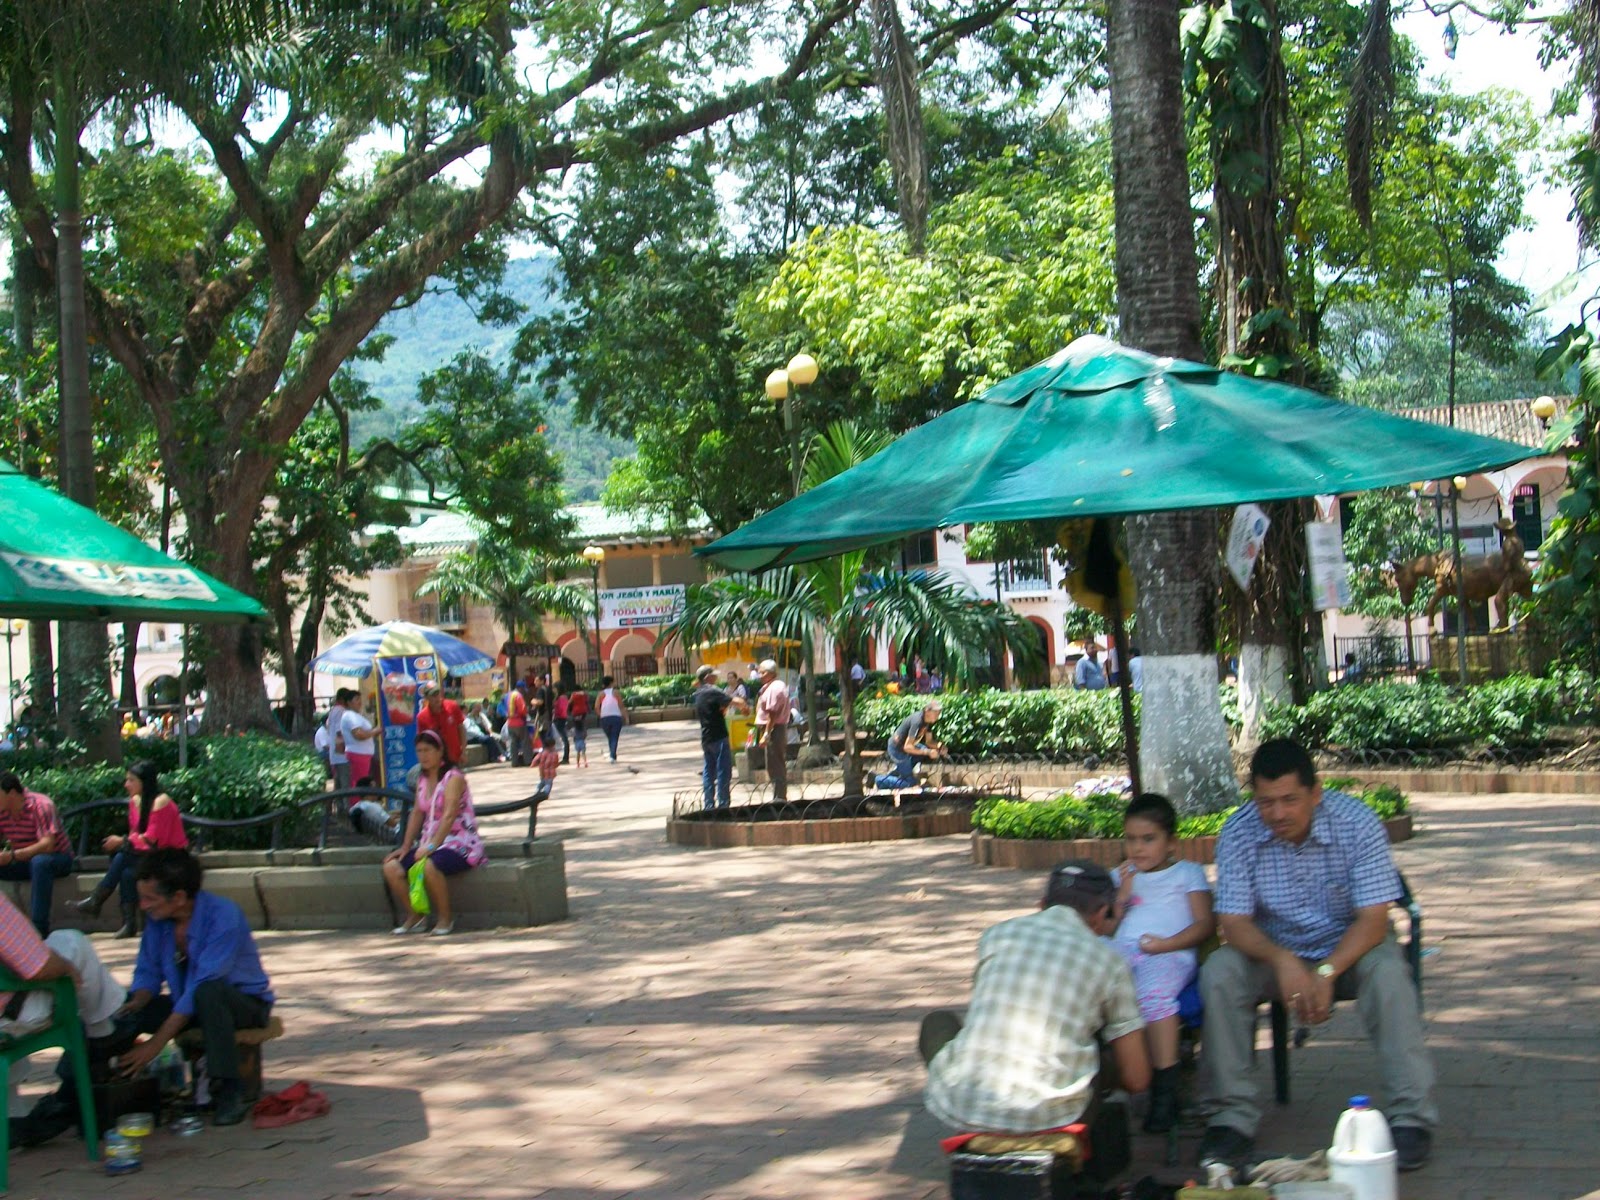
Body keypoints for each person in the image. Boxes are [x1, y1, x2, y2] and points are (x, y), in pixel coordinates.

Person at [1196, 738, 1436, 1172]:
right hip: (1271, 953)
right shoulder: (1238, 830)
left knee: (1389, 976)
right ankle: (1231, 1118)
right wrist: (1284, 961)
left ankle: (1411, 1118)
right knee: (1219, 972)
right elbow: (1234, 924)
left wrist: (1325, 971)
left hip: (1350, 947)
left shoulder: (1358, 822)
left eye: (1289, 800)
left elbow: (1373, 919)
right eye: (1266, 802)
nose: (1278, 814)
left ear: (1315, 792)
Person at [921, 861, 1150, 1133]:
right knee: (1096, 1052)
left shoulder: (996, 935)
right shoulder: (1110, 962)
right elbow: (1137, 1079)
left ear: (1042, 904)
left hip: (964, 1106)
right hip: (1056, 1117)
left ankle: (977, 1108)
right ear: (1102, 913)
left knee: (937, 1023)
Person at [116, 848, 275, 1127]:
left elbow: (201, 985)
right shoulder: (157, 921)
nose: (143, 906)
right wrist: (137, 1002)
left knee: (208, 992)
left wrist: (155, 1044)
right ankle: (90, 1088)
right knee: (117, 1007)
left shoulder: (223, 915)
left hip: (241, 1004)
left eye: (150, 899)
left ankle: (228, 1090)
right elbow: (147, 973)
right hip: (189, 1004)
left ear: (178, 897)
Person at [1109, 793, 1214, 1133]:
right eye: (1131, 839)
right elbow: (1107, 926)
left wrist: (1166, 944)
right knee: (1094, 985)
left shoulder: (1187, 873)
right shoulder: (1121, 875)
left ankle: (1164, 1091)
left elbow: (1203, 924)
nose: (1138, 849)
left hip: (1168, 952)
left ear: (1171, 842)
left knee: (1154, 996)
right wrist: (1122, 896)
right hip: (1124, 949)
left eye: (1148, 839)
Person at [0, 891, 133, 1147]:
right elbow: (38, 965)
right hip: (12, 1018)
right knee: (70, 942)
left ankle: (12, 1120)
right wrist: (65, 967)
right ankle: (103, 1031)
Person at [382, 729, 486, 937]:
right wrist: (405, 845)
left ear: (440, 751)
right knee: (391, 867)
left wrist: (431, 847)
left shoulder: (453, 777)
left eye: (428, 750)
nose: (423, 755)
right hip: (429, 842)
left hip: (459, 842)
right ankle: (416, 915)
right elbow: (417, 813)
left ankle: (445, 919)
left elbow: (449, 816)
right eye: (419, 751)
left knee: (429, 865)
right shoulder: (422, 778)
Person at [73, 761, 189, 939]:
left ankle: (97, 899)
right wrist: (125, 841)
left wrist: (121, 841)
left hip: (171, 856)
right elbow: (136, 835)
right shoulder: (135, 801)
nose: (126, 785)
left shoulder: (161, 802)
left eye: (131, 780)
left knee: (122, 858)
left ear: (145, 781)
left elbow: (153, 840)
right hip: (148, 855)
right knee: (127, 872)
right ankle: (129, 924)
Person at [0, 772, 73, 936]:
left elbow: (47, 845)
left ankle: (39, 928)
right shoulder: (2, 810)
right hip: (24, 861)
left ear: (11, 793)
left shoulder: (41, 805)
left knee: (40, 862)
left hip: (58, 858)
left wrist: (12, 856)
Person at [693, 665, 747, 810]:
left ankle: (709, 804)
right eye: (714, 675)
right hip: (719, 736)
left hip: (706, 738)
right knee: (723, 770)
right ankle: (723, 804)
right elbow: (738, 702)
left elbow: (717, 709)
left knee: (709, 772)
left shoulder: (698, 694)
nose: (716, 678)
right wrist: (745, 708)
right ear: (707, 678)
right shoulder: (713, 691)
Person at [871, 699, 945, 791]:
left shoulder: (928, 722)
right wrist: (928, 752)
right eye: (936, 712)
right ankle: (879, 780)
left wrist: (940, 747)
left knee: (922, 750)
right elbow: (907, 747)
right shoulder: (917, 722)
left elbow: (929, 742)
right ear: (927, 710)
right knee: (910, 784)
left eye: (939, 713)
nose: (938, 715)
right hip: (897, 749)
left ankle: (900, 774)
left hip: (907, 747)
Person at [753, 660, 790, 801]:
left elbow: (772, 714)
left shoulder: (775, 688)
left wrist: (767, 734)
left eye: (761, 672)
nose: (759, 675)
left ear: (769, 673)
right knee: (773, 763)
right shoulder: (771, 687)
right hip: (772, 728)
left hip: (774, 729)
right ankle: (778, 794)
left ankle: (780, 797)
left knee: (775, 763)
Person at [416, 682, 467, 765]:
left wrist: (464, 751)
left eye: (438, 694)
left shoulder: (452, 706)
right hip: (435, 762)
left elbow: (461, 729)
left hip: (454, 757)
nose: (437, 698)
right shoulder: (422, 717)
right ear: (427, 698)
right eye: (433, 695)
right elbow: (422, 742)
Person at [341, 692, 379, 785]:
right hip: (358, 754)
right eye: (357, 699)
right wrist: (375, 731)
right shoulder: (350, 715)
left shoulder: (356, 715)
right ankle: (356, 800)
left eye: (360, 699)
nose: (360, 702)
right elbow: (358, 734)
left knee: (363, 781)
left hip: (363, 754)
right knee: (360, 783)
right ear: (349, 702)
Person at [325, 688, 354, 789]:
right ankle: (346, 805)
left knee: (338, 784)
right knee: (345, 784)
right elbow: (340, 732)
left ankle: (340, 804)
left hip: (335, 755)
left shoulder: (333, 711)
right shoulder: (342, 711)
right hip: (342, 755)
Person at [597, 676, 629, 763]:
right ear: (611, 683)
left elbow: (596, 707)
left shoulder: (601, 694)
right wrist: (626, 717)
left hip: (605, 718)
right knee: (614, 737)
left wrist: (601, 715)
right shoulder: (616, 692)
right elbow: (621, 706)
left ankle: (612, 754)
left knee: (610, 737)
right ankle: (612, 756)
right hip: (615, 717)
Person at [504, 683, 531, 767]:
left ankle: (514, 762)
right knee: (525, 742)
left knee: (513, 743)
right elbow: (522, 709)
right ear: (520, 688)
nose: (523, 692)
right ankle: (527, 761)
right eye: (523, 689)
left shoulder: (507, 696)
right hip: (519, 722)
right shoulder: (518, 696)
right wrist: (527, 711)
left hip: (510, 723)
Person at [532, 728, 561, 805]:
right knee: (548, 784)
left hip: (542, 770)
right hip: (550, 771)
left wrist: (533, 765)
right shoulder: (554, 754)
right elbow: (556, 762)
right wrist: (556, 765)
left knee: (542, 782)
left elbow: (536, 759)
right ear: (553, 746)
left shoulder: (542, 753)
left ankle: (537, 791)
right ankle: (545, 794)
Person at [568, 684, 591, 768]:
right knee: (582, 722)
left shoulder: (574, 694)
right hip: (583, 711)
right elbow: (587, 701)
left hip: (576, 711)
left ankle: (577, 734)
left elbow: (570, 702)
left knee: (576, 723)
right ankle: (582, 733)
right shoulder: (584, 694)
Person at [552, 685, 571, 764]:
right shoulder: (560, 697)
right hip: (559, 718)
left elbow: (561, 709)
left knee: (563, 738)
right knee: (562, 738)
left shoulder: (562, 698)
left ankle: (565, 757)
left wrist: (555, 711)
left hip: (560, 718)